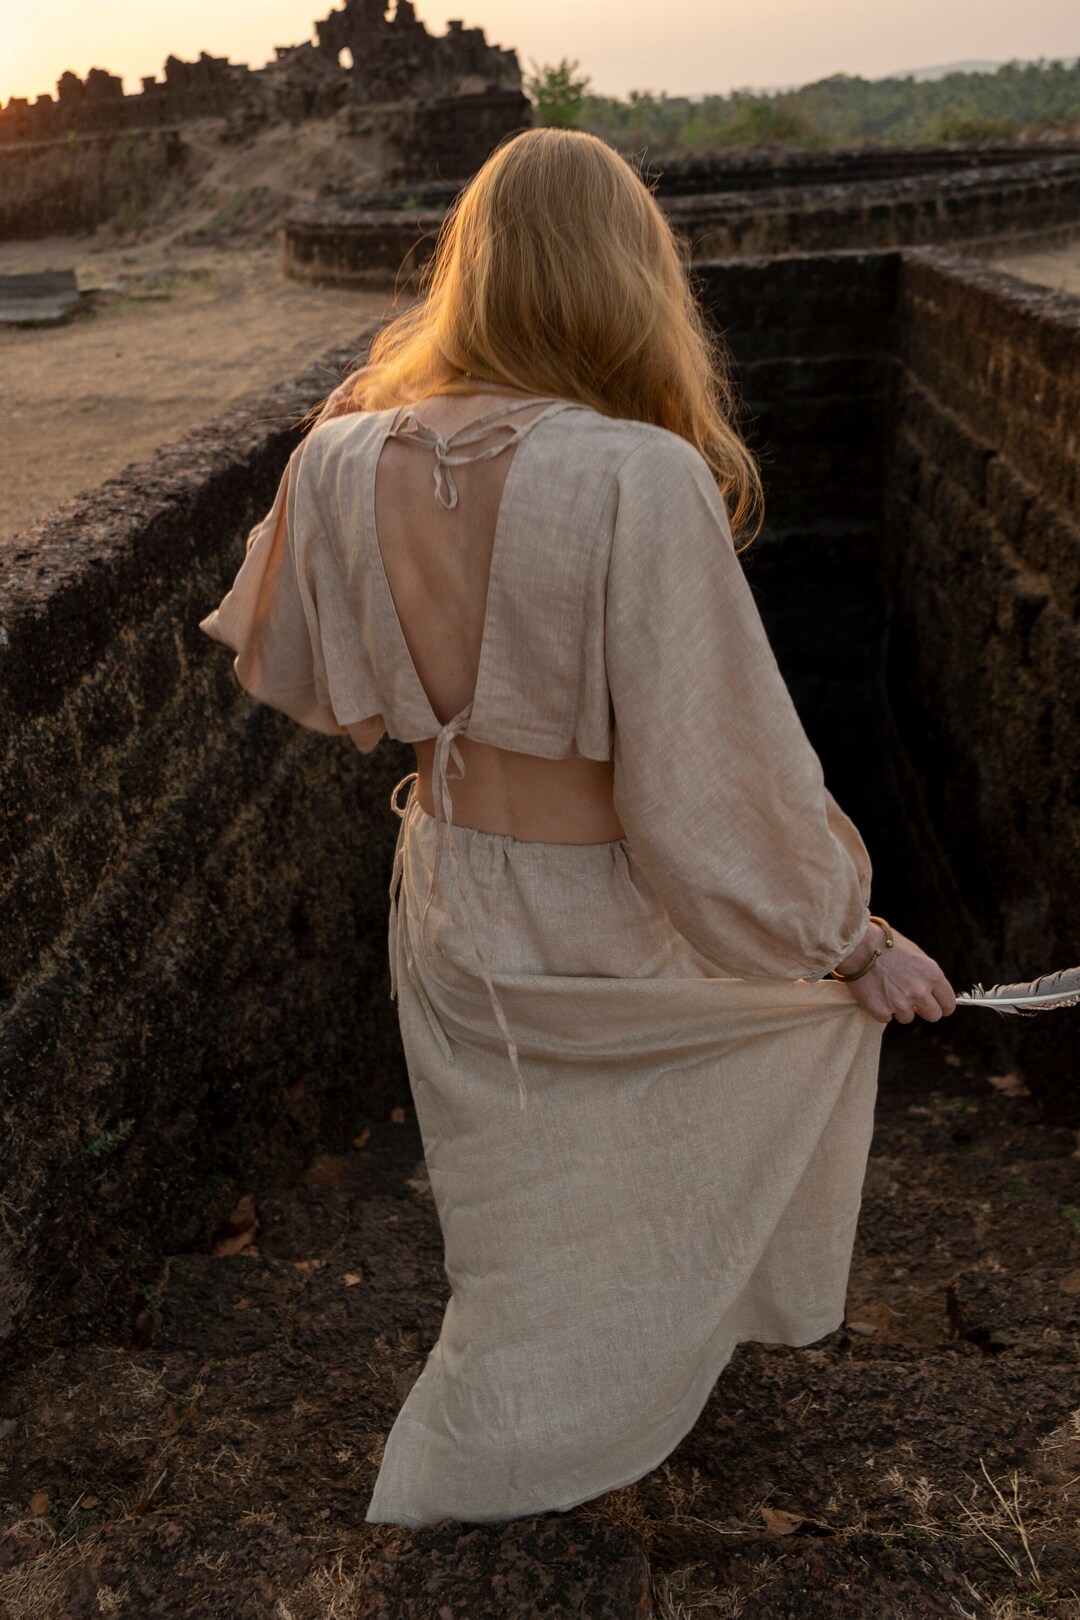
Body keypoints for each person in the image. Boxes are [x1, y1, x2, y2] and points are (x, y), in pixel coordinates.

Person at [198, 127, 955, 1528]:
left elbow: (278, 655)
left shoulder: (345, 459)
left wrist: (337, 437)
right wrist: (852, 938)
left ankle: (530, 1441)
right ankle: (497, 1463)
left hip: (447, 880)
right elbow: (713, 774)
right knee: (634, 1184)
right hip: (603, 901)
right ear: (628, 273)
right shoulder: (633, 474)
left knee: (516, 1223)